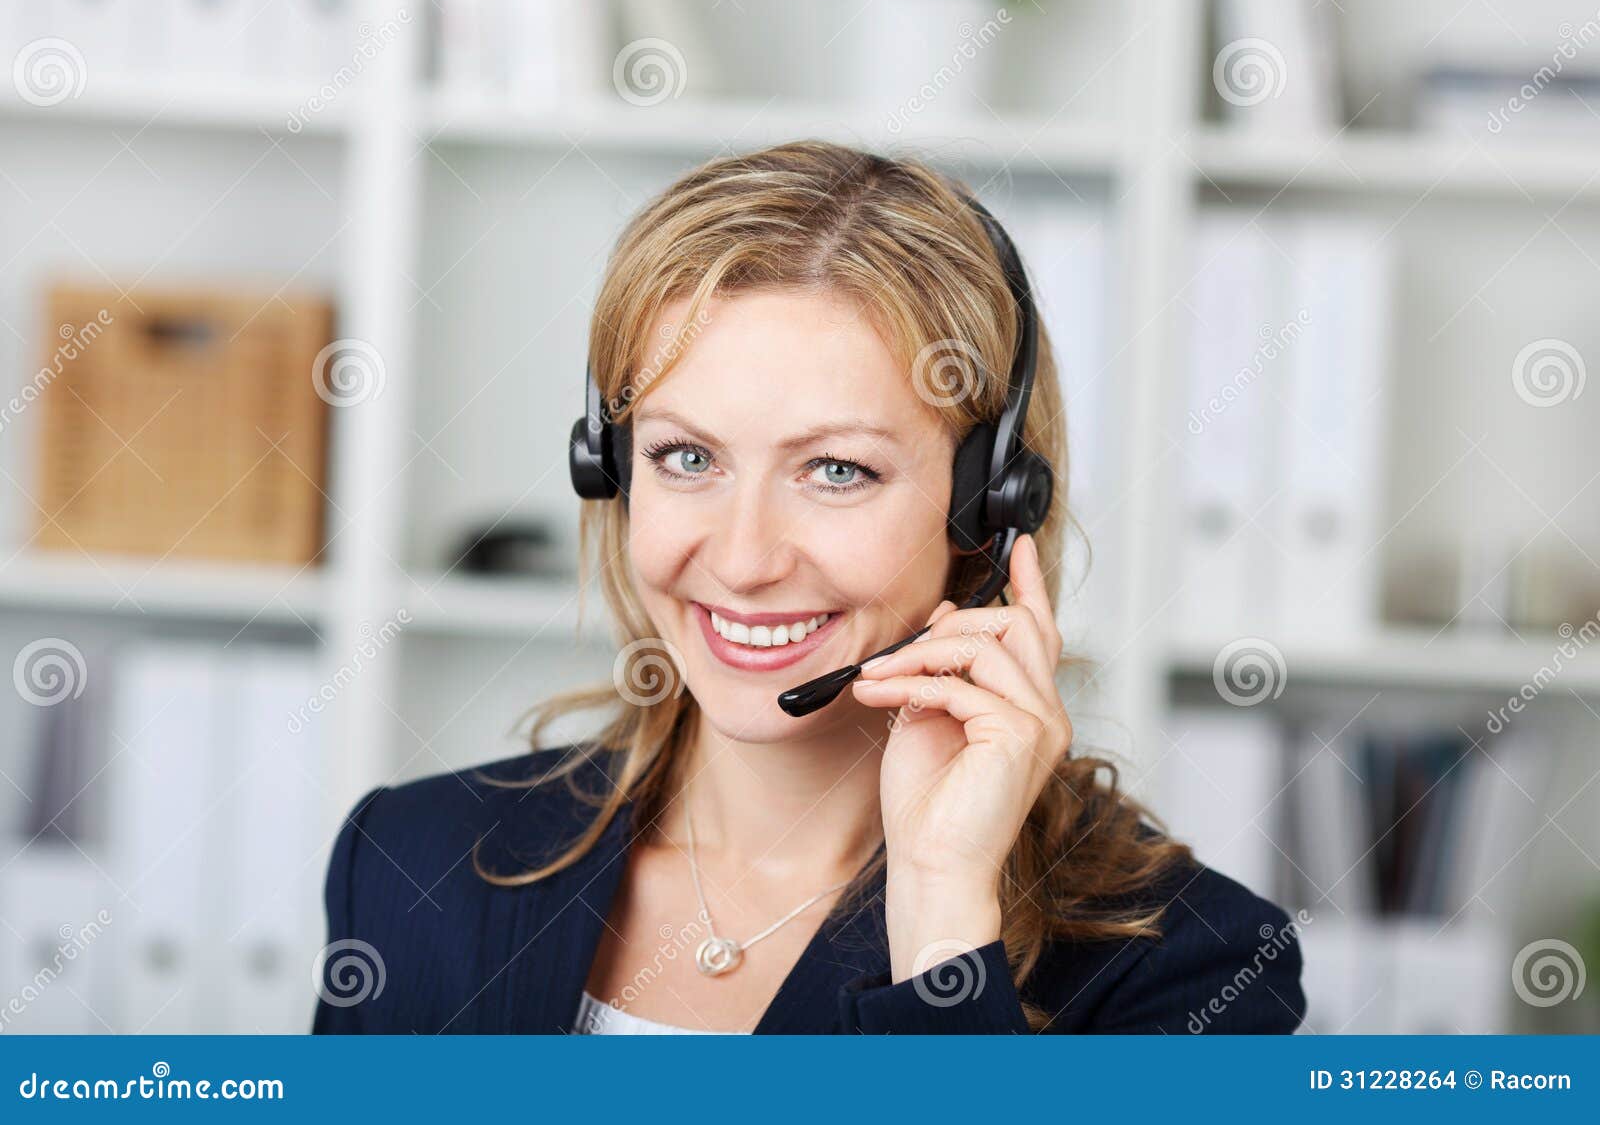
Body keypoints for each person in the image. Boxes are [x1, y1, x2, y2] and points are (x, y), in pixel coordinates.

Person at [312, 140, 1306, 1035]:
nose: (744, 559)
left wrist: (944, 916)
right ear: (609, 469)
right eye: (686, 455)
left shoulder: (1186, 966)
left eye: (837, 470)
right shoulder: (414, 862)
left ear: (990, 503)